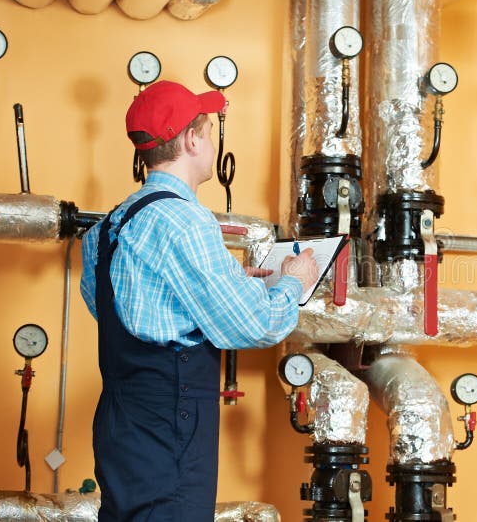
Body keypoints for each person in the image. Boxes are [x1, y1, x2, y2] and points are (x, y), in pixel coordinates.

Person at [80, 80, 318, 522]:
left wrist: (224, 282)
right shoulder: (187, 222)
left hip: (120, 422)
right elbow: (255, 326)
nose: (209, 143)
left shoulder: (106, 227)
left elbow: (110, 307)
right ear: (191, 139)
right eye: (207, 133)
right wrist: (294, 283)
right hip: (171, 423)